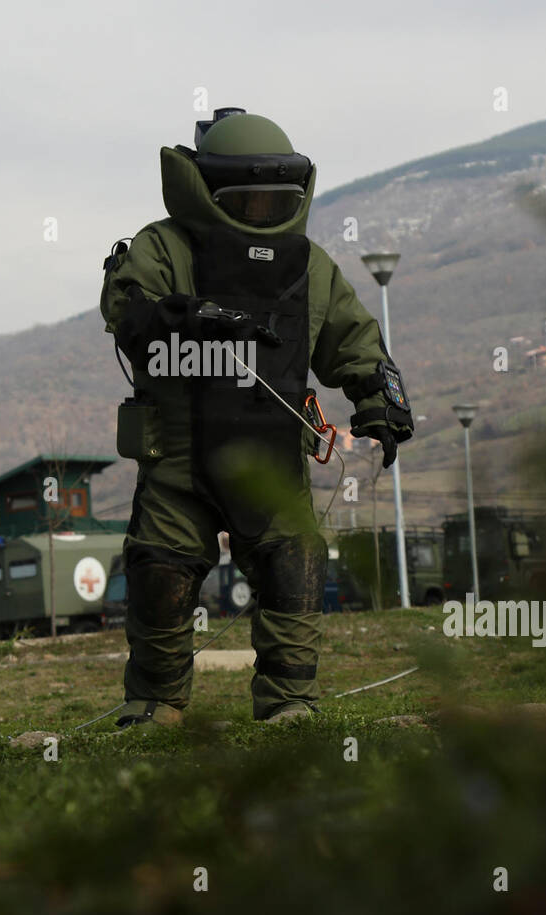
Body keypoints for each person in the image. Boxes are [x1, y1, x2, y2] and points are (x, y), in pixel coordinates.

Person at [100, 108, 414, 727]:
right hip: (178, 457)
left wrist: (379, 399)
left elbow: (352, 339)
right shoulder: (164, 248)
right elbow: (127, 311)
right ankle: (155, 705)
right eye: (250, 200)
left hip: (273, 457)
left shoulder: (309, 267)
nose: (264, 211)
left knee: (293, 564)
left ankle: (288, 703)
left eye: (277, 200)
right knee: (161, 573)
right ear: (209, 192)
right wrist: (185, 318)